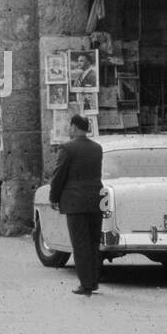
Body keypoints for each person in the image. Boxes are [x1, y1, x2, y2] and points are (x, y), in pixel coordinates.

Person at [49, 113, 104, 296]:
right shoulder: (97, 148)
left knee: (80, 244)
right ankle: (94, 280)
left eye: (70, 127)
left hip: (75, 202)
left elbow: (59, 175)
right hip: (96, 200)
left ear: (73, 127)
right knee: (93, 242)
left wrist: (53, 197)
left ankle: (86, 284)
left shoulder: (67, 148)